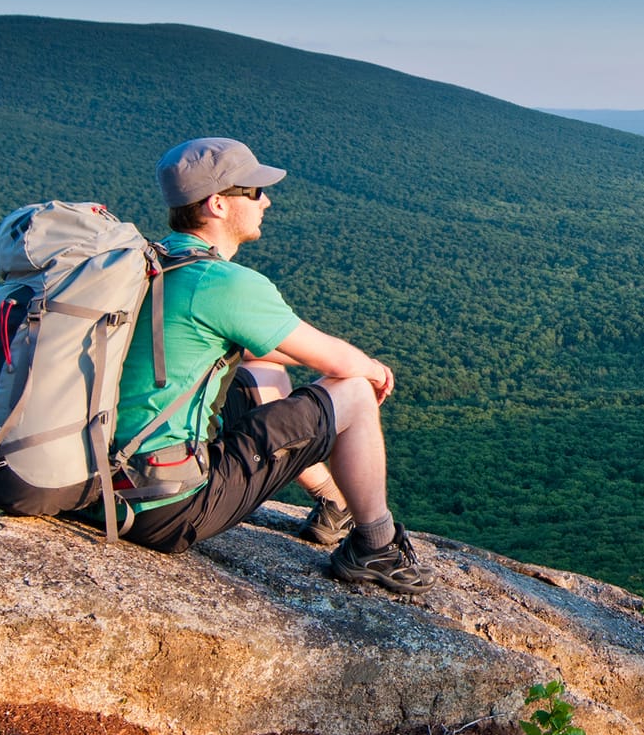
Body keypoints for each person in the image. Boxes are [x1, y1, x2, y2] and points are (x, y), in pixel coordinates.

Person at [103, 136, 434, 598]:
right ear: (218, 204)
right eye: (255, 192)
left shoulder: (152, 263)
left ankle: (334, 503)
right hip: (168, 506)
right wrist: (374, 371)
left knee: (264, 372)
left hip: (110, 483)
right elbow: (335, 360)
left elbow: (269, 352)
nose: (267, 200)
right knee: (355, 393)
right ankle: (374, 548)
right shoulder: (222, 282)